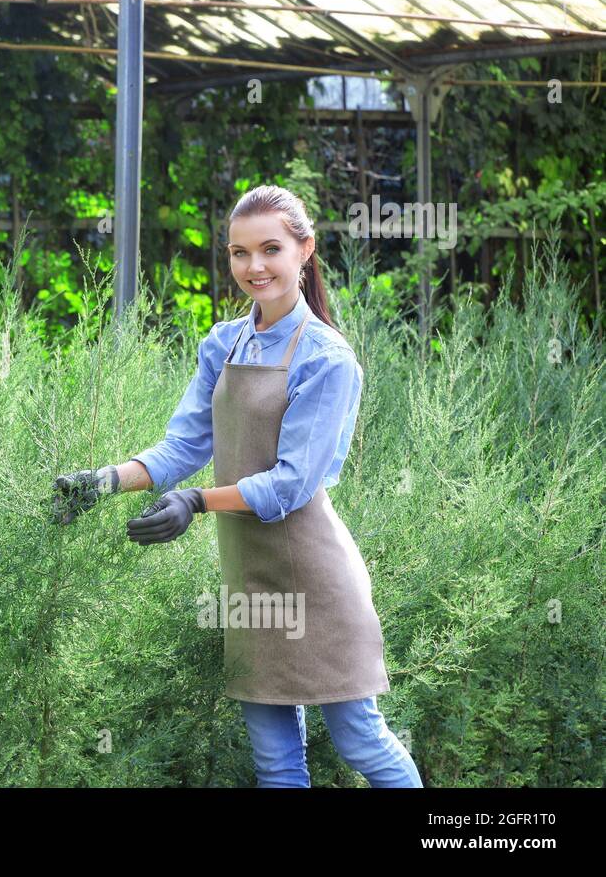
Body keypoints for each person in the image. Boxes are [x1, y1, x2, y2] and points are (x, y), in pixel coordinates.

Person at [50, 184, 422, 788]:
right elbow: (183, 447)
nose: (253, 267)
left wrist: (197, 501)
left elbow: (291, 486)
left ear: (304, 252)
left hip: (318, 580)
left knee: (362, 743)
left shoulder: (327, 359)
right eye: (238, 253)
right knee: (274, 761)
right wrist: (103, 482)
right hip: (250, 580)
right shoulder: (222, 344)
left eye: (270, 249)